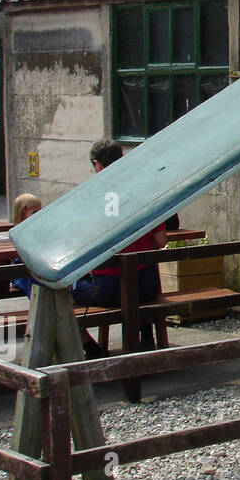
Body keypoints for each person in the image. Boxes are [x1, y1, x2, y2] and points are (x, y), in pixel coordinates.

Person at [71, 140, 169, 357]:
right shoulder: (144, 191)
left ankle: (92, 349)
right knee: (137, 277)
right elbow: (160, 241)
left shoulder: (88, 196)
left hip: (107, 289)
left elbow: (79, 243)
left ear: (97, 164)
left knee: (58, 297)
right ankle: (145, 335)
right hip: (146, 285)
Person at [8, 193, 43, 298]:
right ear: (22, 214)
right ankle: (37, 300)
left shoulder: (42, 228)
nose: (38, 214)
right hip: (23, 273)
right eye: (34, 212)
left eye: (41, 210)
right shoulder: (19, 232)